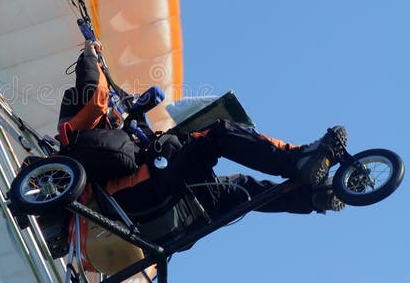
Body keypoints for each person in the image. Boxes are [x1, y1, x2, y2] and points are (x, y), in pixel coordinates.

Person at [56, 41, 347, 235]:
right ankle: (297, 160)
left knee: (240, 189)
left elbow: (135, 145)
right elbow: (95, 95)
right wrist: (90, 53)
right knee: (217, 133)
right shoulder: (79, 136)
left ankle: (314, 196)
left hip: (167, 212)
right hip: (148, 195)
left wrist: (136, 113)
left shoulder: (108, 145)